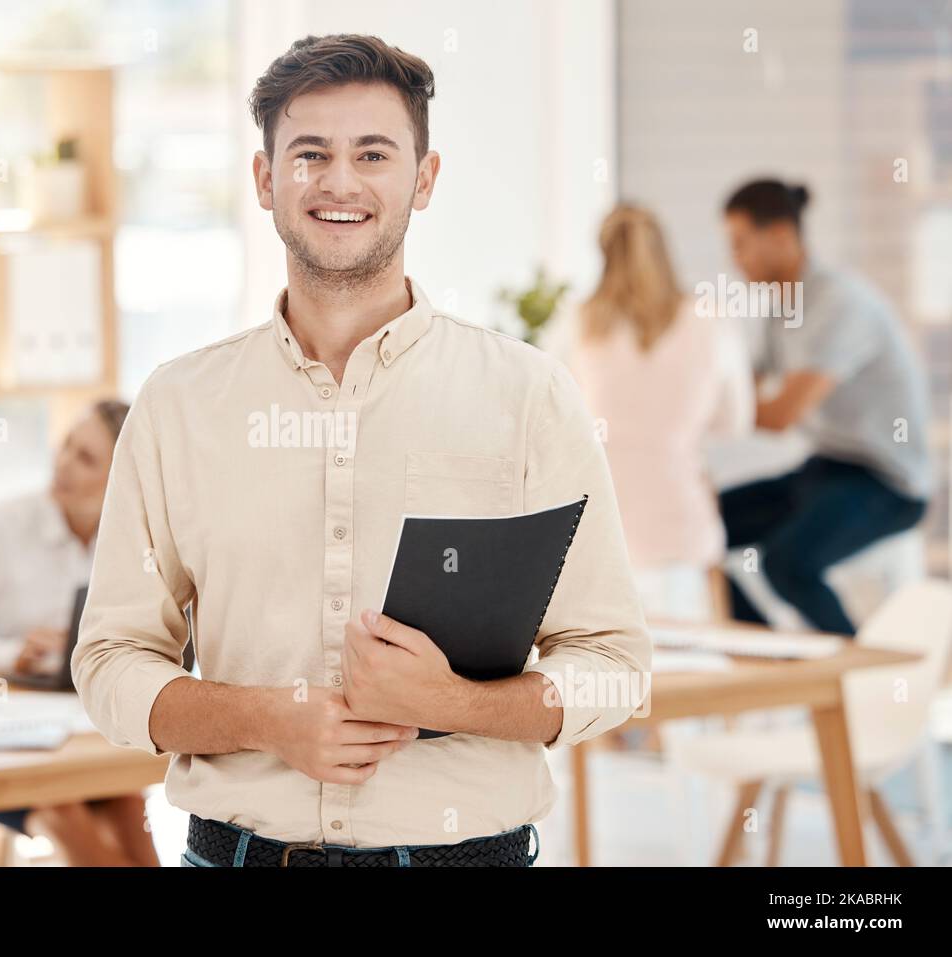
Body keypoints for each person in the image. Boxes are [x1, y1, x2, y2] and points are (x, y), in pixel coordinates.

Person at [73, 34, 650, 868]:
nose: (339, 181)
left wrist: (453, 701)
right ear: (266, 179)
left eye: (372, 153)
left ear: (424, 179)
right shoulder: (178, 404)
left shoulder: (530, 396)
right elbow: (111, 663)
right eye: (310, 154)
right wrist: (268, 718)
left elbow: (614, 667)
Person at [0, 399, 159, 867]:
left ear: (121, 479)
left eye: (86, 458)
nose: (64, 464)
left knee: (130, 803)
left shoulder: (133, 543)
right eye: (67, 447)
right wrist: (13, 654)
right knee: (64, 809)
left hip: (75, 740)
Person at [719, 179, 932, 636]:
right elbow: (743, 389)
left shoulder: (838, 303)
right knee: (704, 528)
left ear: (779, 235)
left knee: (787, 562)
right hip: (827, 468)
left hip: (889, 483)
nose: (734, 258)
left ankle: (853, 683)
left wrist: (702, 406)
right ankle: (765, 661)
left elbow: (777, 416)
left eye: (740, 244)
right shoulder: (783, 305)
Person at [568, 205, 753, 621]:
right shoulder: (710, 320)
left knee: (608, 679)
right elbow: (734, 422)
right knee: (691, 671)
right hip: (682, 532)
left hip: (599, 536)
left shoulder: (577, 324)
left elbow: (553, 425)